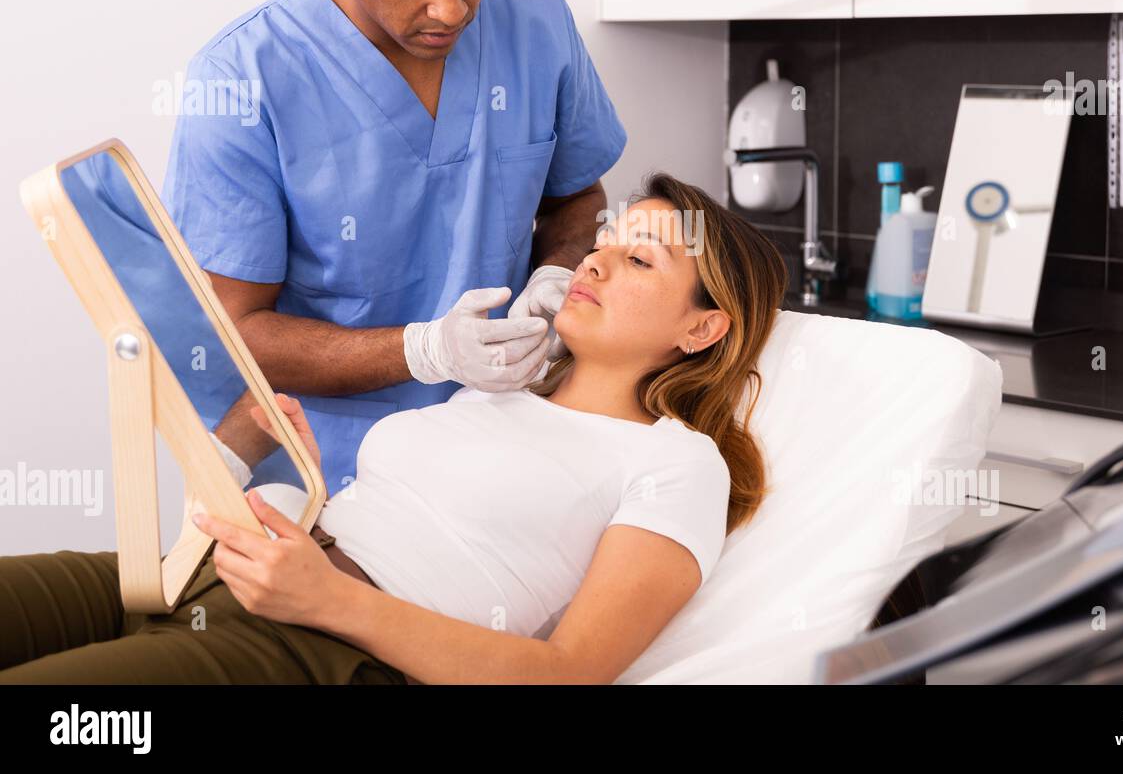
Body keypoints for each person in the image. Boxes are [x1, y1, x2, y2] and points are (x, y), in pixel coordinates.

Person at [0, 175, 787, 684]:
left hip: (315, 650)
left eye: (640, 262)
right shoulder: (495, 392)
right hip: (213, 567)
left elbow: (567, 673)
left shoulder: (679, 464)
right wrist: (248, 443)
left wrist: (326, 602)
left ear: (703, 329)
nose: (593, 264)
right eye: (605, 245)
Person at [161, 0, 627, 497]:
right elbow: (235, 335)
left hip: (505, 457)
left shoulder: (536, 20)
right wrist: (426, 350)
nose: (452, 8)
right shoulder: (243, 79)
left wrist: (556, 280)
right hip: (331, 485)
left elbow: (575, 198)